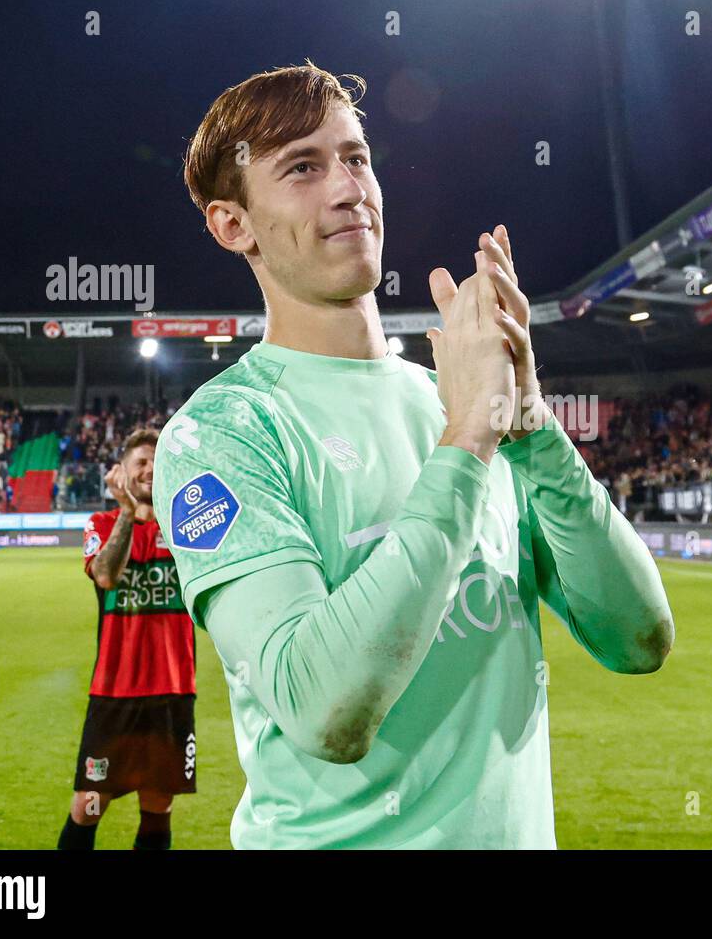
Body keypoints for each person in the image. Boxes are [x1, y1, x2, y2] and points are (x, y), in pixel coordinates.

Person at [152, 63, 674, 849]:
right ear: (234, 225)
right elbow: (326, 711)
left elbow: (639, 639)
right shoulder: (220, 435)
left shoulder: (465, 398)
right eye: (302, 167)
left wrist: (530, 426)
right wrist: (466, 441)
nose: (346, 188)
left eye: (356, 158)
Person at [59, 428, 197, 850]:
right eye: (141, 462)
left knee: (159, 803)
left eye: (158, 462)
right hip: (115, 692)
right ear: (121, 471)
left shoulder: (187, 528)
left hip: (173, 691)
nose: (150, 470)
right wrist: (126, 512)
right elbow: (106, 574)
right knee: (89, 803)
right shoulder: (100, 523)